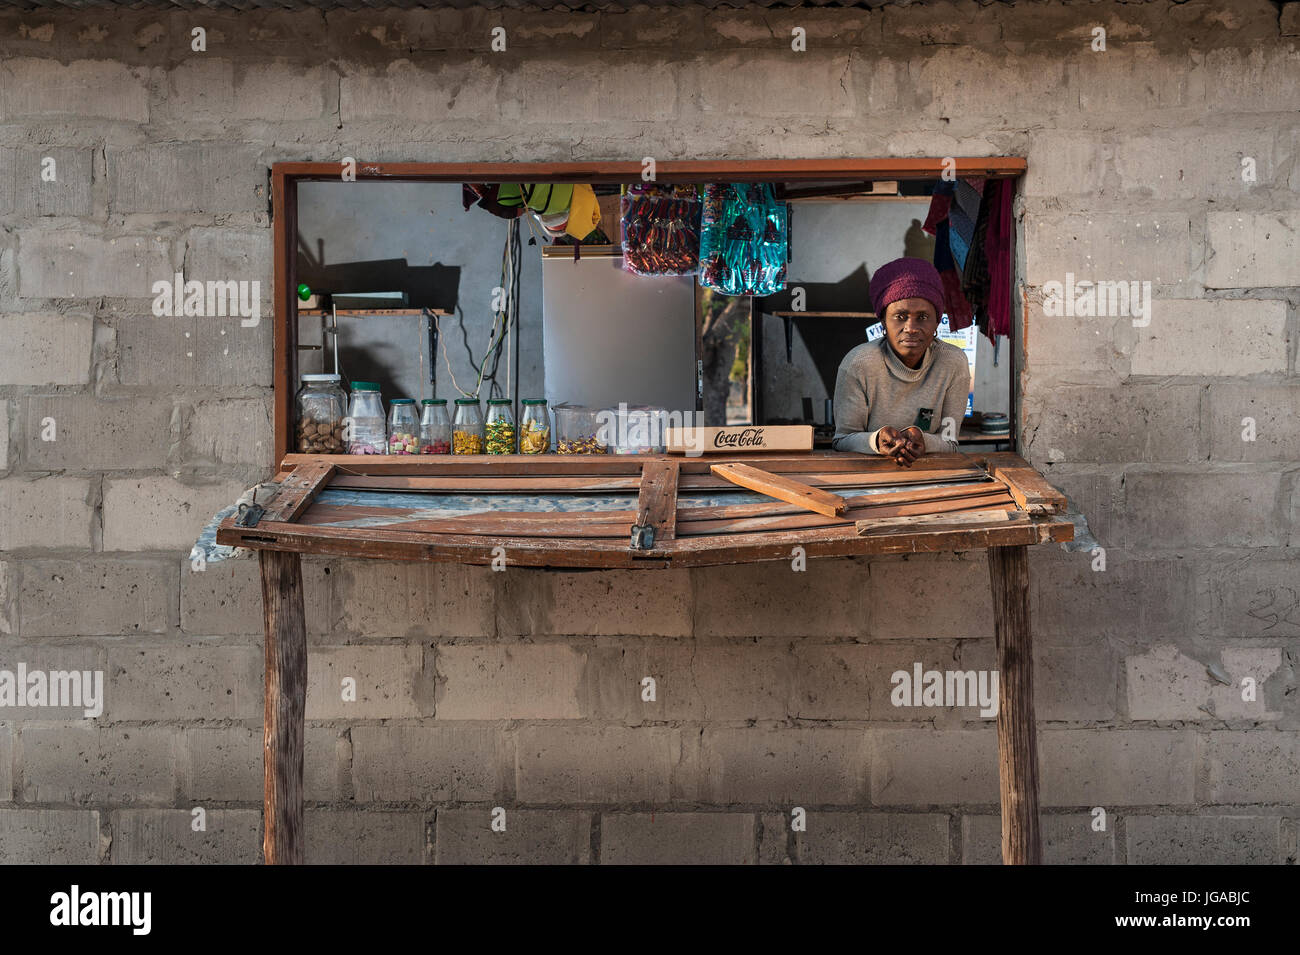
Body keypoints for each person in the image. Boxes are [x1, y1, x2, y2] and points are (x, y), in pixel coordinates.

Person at [831, 257, 970, 467]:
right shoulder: (858, 364)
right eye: (900, 316)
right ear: (883, 321)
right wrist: (875, 441)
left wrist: (925, 441)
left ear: (937, 321)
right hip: (868, 480)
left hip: (930, 480)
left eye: (923, 317)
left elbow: (949, 442)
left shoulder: (953, 363)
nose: (911, 328)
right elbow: (842, 440)